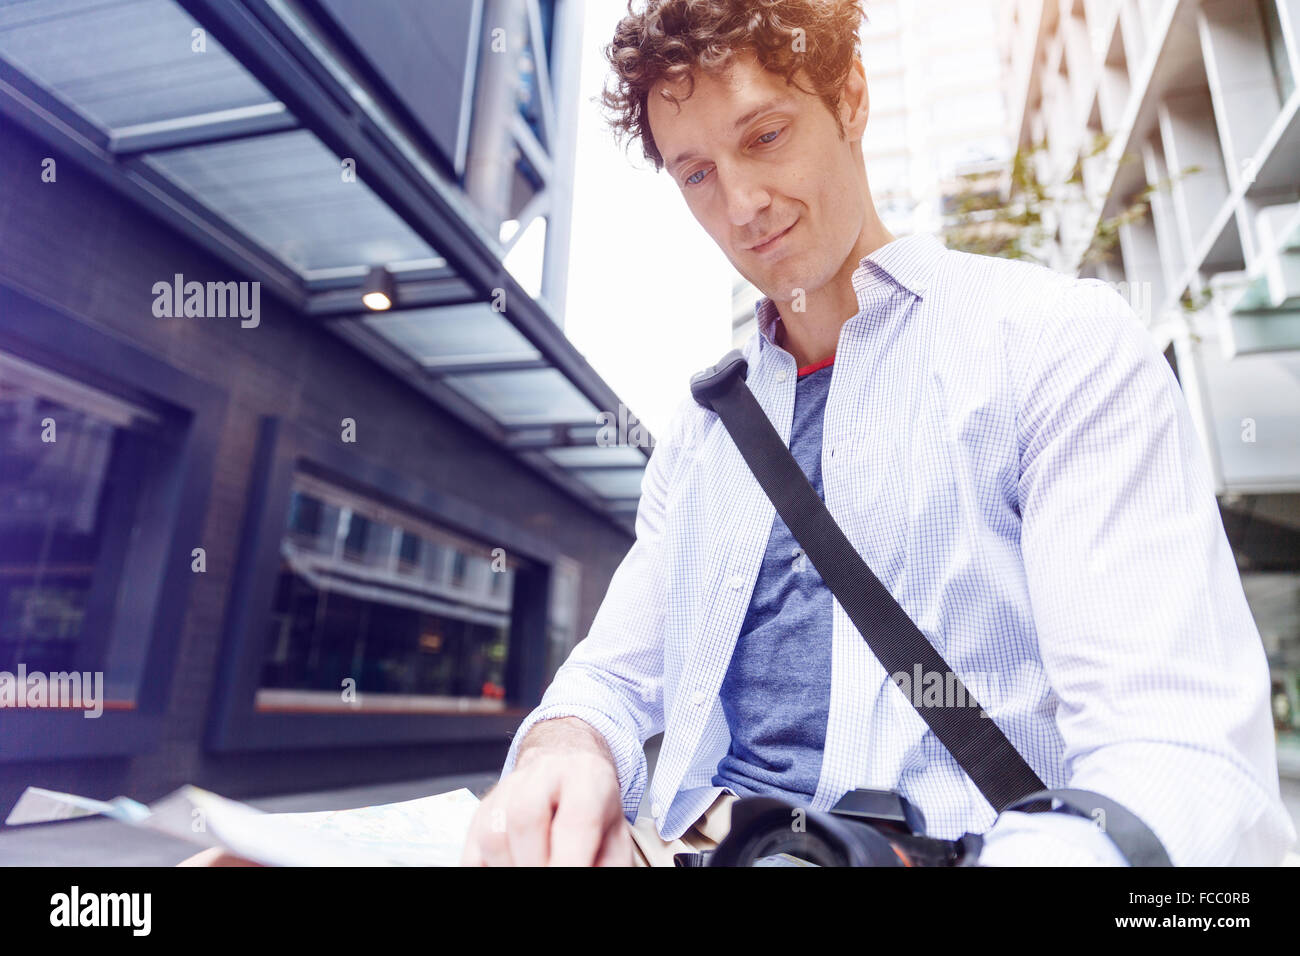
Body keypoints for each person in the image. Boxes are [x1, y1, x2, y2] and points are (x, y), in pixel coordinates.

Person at [459, 0, 1298, 868]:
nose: (742, 204)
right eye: (697, 173)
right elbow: (612, 676)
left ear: (851, 98)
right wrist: (566, 749)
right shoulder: (702, 434)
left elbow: (1184, 759)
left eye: (766, 135)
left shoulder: (1053, 344)